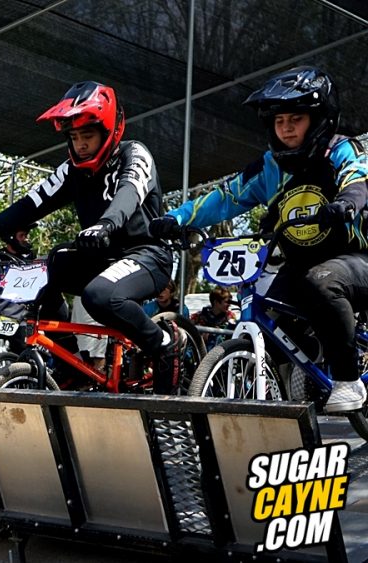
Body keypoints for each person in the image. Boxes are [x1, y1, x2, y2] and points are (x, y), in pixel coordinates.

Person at [150, 66, 368, 412]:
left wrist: (347, 202)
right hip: (301, 264)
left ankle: (348, 380)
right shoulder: (271, 167)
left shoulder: (341, 150)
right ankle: (306, 360)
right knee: (266, 300)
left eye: (296, 118)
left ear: (320, 118)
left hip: (356, 259)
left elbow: (357, 179)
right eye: (279, 120)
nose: (286, 128)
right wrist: (174, 218)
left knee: (322, 282)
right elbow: (225, 196)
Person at [0, 81, 184, 394]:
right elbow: (34, 202)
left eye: (87, 135)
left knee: (98, 296)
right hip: (102, 256)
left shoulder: (135, 153)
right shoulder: (71, 169)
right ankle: (72, 362)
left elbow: (129, 194)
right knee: (44, 270)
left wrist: (106, 224)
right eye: (74, 137)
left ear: (109, 130)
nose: (80, 144)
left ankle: (166, 344)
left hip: (147, 255)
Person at [0, 230, 36, 353]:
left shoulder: (31, 259)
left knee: (26, 352)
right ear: (10, 237)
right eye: (22, 235)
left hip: (23, 317)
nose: (26, 239)